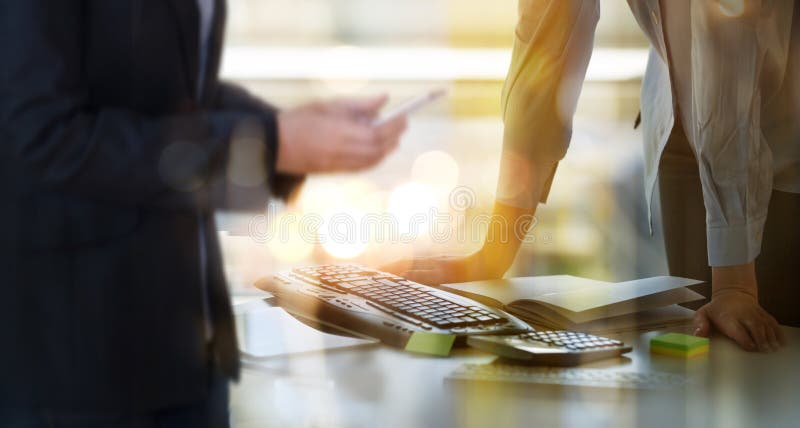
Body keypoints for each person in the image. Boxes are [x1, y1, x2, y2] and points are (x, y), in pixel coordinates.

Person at [0, 0, 406, 426]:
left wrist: (288, 129)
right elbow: (39, 135)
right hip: (76, 363)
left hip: (187, 353)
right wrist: (271, 144)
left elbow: (173, 96)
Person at [386, 0, 798, 353]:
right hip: (677, 114)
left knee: (768, 348)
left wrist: (735, 285)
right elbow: (544, 42)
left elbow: (727, 46)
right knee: (705, 353)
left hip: (779, 123)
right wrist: (495, 250)